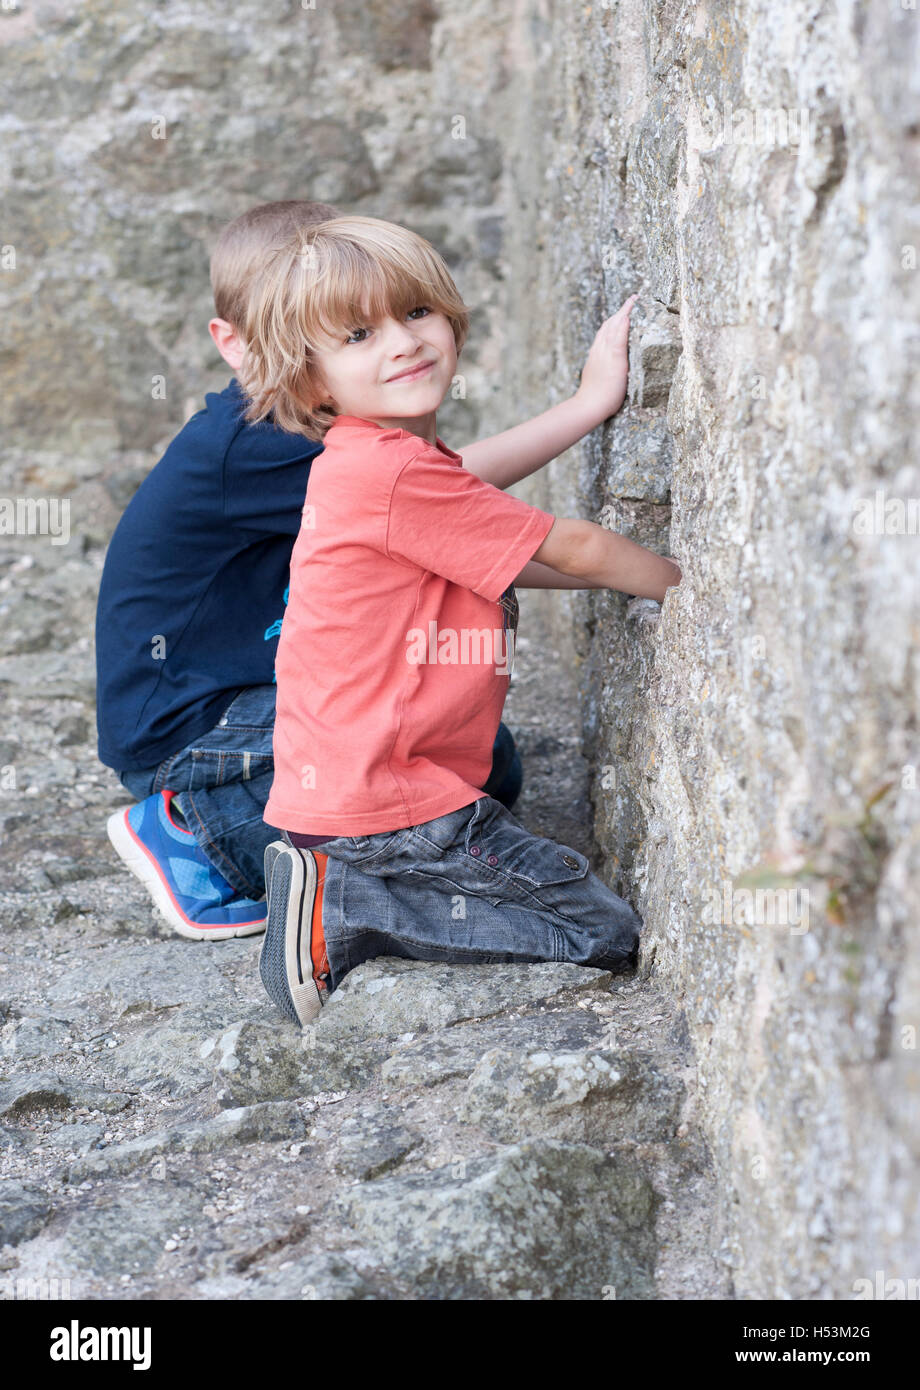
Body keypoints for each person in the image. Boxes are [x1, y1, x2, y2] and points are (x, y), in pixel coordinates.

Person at [98, 200, 650, 941]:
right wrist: (581, 418)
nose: (389, 342)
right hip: (195, 723)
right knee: (381, 793)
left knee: (490, 768)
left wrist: (582, 429)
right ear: (242, 343)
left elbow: (456, 523)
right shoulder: (263, 438)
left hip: (255, 683)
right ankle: (199, 836)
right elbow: (455, 517)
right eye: (348, 329)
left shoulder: (343, 418)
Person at [234, 215, 682, 1025]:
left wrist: (588, 405)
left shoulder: (379, 463)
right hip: (392, 805)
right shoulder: (394, 471)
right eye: (360, 333)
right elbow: (574, 546)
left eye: (415, 313)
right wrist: (685, 589)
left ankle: (349, 885)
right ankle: (346, 912)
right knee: (597, 928)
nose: (401, 342)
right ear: (313, 386)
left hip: (359, 791)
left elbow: (505, 550)